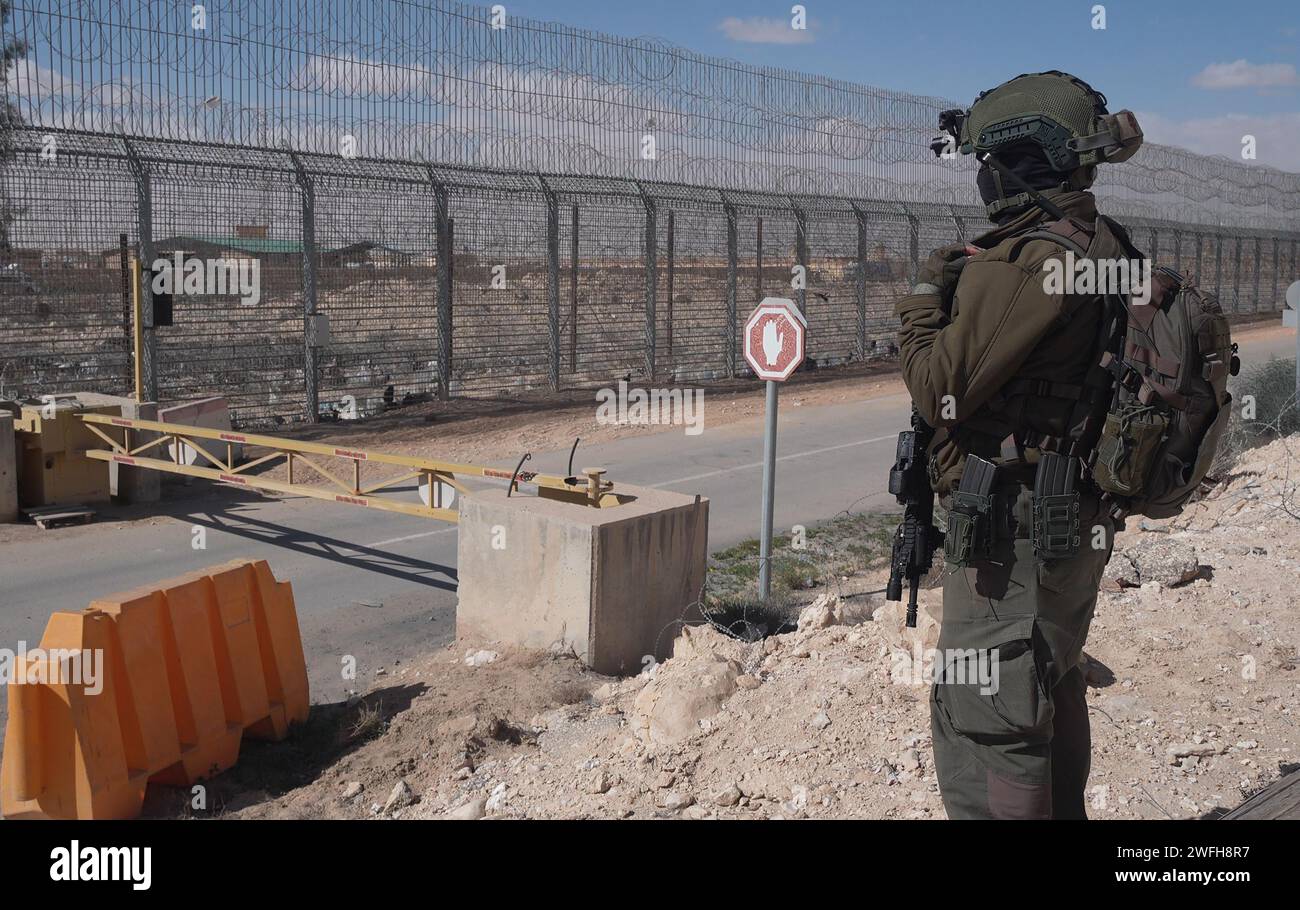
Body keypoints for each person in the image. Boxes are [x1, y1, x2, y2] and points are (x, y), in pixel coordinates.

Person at [895, 71, 1145, 819]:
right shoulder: (1103, 243)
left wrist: (919, 301)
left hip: (1014, 536)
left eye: (984, 163)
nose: (979, 179)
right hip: (1065, 523)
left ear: (1012, 163)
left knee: (987, 723)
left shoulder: (1035, 258)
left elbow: (940, 384)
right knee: (1047, 687)